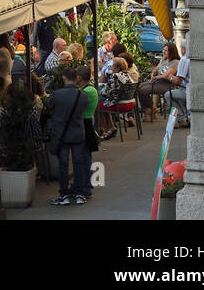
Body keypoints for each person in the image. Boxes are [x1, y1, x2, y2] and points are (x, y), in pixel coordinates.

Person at [48, 66, 89, 205]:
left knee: (63, 165)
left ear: (64, 77)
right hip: (77, 133)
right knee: (79, 163)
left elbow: (51, 109)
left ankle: (64, 193)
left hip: (62, 134)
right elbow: (84, 109)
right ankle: (79, 193)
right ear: (76, 78)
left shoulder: (56, 95)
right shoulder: (83, 95)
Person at [139, 42, 181, 122]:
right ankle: (152, 110)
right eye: (163, 50)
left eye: (166, 51)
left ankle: (149, 112)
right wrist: (153, 73)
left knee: (143, 90)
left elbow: (167, 75)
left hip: (167, 84)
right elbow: (156, 69)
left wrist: (155, 77)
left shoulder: (175, 62)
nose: (163, 52)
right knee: (140, 86)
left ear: (171, 52)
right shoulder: (163, 60)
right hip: (158, 82)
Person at [97, 56, 137, 139]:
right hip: (131, 103)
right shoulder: (128, 75)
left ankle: (103, 129)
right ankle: (111, 126)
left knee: (98, 103)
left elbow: (104, 92)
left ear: (117, 67)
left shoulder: (115, 76)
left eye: (113, 66)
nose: (111, 67)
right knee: (104, 101)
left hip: (120, 105)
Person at [77, 65, 99, 198]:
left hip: (85, 124)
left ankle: (86, 186)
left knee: (85, 156)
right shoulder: (89, 89)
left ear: (79, 77)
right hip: (87, 122)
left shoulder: (87, 91)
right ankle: (86, 184)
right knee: (86, 156)